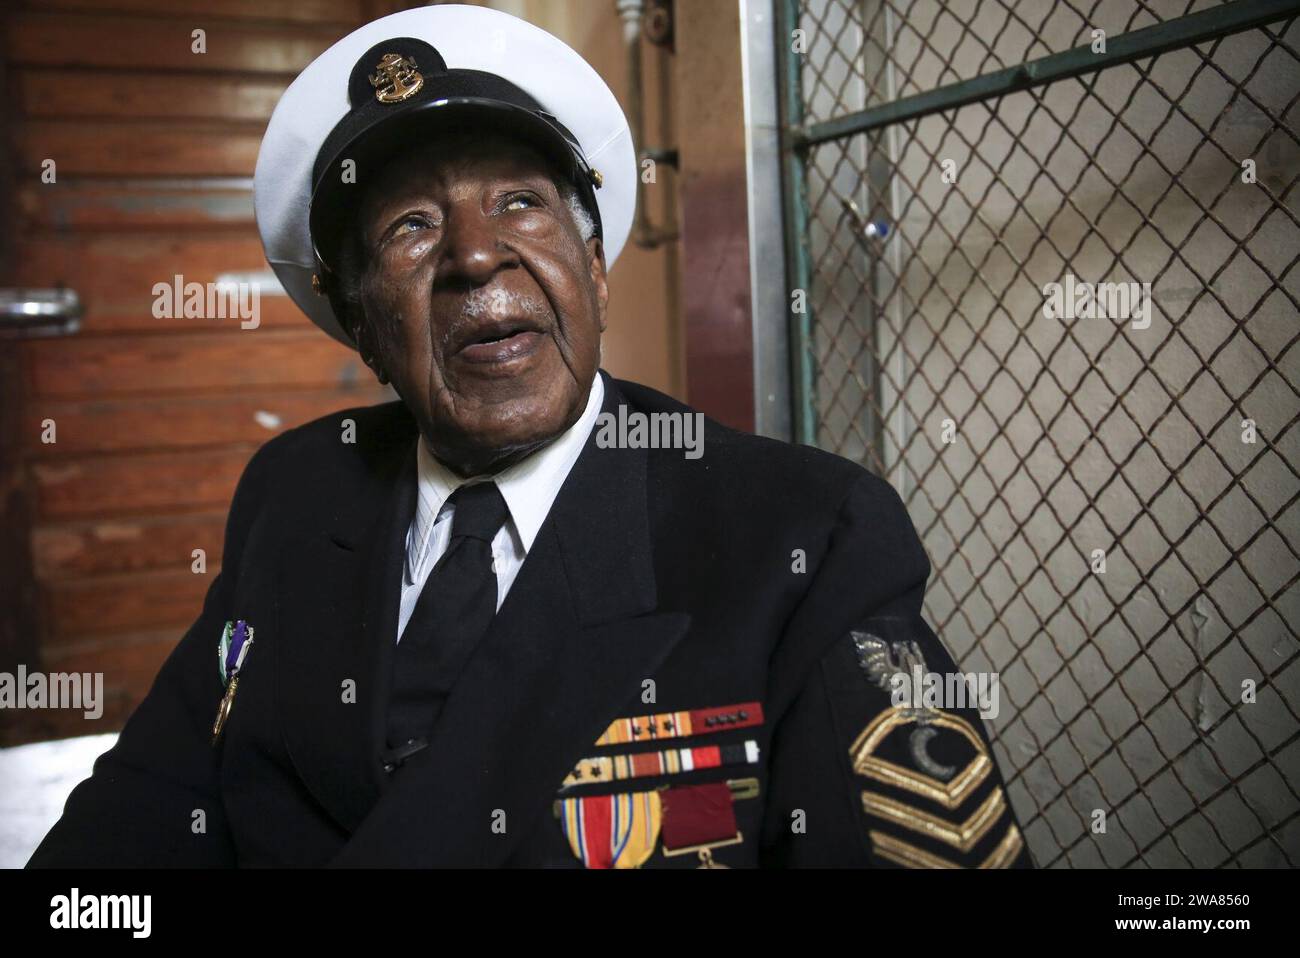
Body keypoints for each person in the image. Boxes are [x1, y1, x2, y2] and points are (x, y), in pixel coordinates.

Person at [29, 4, 1030, 869]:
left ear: (593, 268)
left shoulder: (797, 535)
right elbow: (143, 815)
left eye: (519, 202)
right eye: (410, 227)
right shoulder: (297, 494)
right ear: (365, 326)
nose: (475, 253)